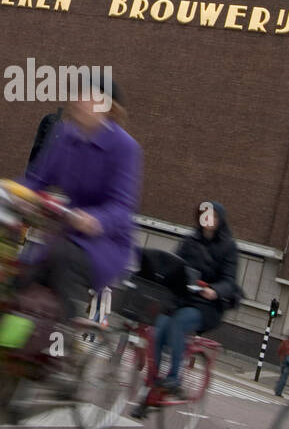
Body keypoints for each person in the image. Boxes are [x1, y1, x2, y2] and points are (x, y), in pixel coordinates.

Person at [20, 76, 141, 322]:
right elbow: (38, 179)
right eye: (79, 95)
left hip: (105, 243)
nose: (79, 102)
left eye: (88, 97)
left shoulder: (124, 147)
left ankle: (63, 346)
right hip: (68, 234)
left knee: (63, 262)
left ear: (106, 107)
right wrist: (12, 191)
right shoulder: (65, 136)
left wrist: (94, 219)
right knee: (21, 276)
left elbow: (122, 206)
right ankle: (8, 350)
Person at [149, 200, 243, 395]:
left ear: (220, 220)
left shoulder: (229, 247)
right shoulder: (190, 241)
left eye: (213, 215)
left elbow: (229, 280)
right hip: (184, 299)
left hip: (208, 306)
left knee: (178, 323)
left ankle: (175, 378)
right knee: (159, 327)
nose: (208, 218)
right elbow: (174, 265)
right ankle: (154, 379)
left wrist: (214, 290)